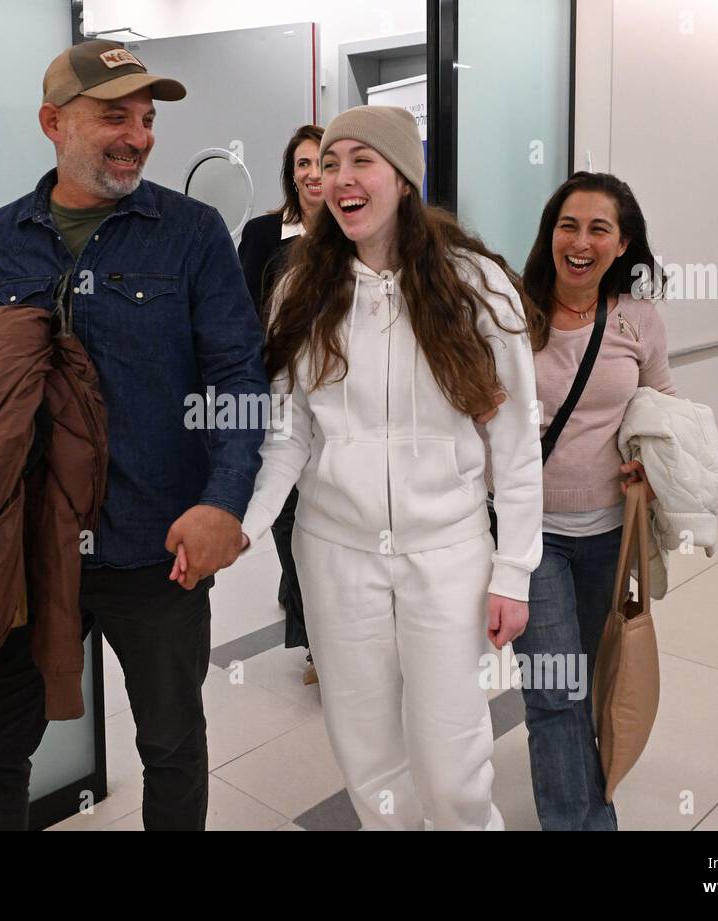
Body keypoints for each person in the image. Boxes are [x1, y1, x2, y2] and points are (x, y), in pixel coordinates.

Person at [0, 39, 268, 831]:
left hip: (156, 544)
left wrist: (225, 502)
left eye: (147, 117)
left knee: (170, 742)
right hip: (30, 549)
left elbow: (237, 375)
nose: (139, 134)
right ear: (54, 122)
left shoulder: (191, 233)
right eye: (114, 115)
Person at [229, 106, 543, 830]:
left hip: (448, 552)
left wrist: (514, 569)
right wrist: (244, 526)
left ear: (404, 178)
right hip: (335, 554)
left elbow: (517, 441)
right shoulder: (300, 291)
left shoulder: (477, 288)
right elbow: (289, 433)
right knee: (368, 756)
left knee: (451, 756)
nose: (340, 178)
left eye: (361, 161)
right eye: (330, 162)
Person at [513, 171, 676, 830]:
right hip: (532, 534)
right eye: (567, 225)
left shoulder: (637, 321)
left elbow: (662, 404)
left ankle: (583, 797)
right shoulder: (511, 315)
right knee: (555, 690)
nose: (579, 242)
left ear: (622, 243)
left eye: (597, 229)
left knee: (590, 680)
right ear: (550, 234)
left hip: (611, 532)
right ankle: (581, 821)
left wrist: (650, 460)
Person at [237, 124, 324, 683]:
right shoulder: (267, 232)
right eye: (303, 165)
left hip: (341, 402)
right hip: (283, 393)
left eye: (324, 163)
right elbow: (244, 312)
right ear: (290, 175)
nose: (313, 174)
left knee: (324, 522)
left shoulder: (357, 230)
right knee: (289, 518)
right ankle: (316, 641)